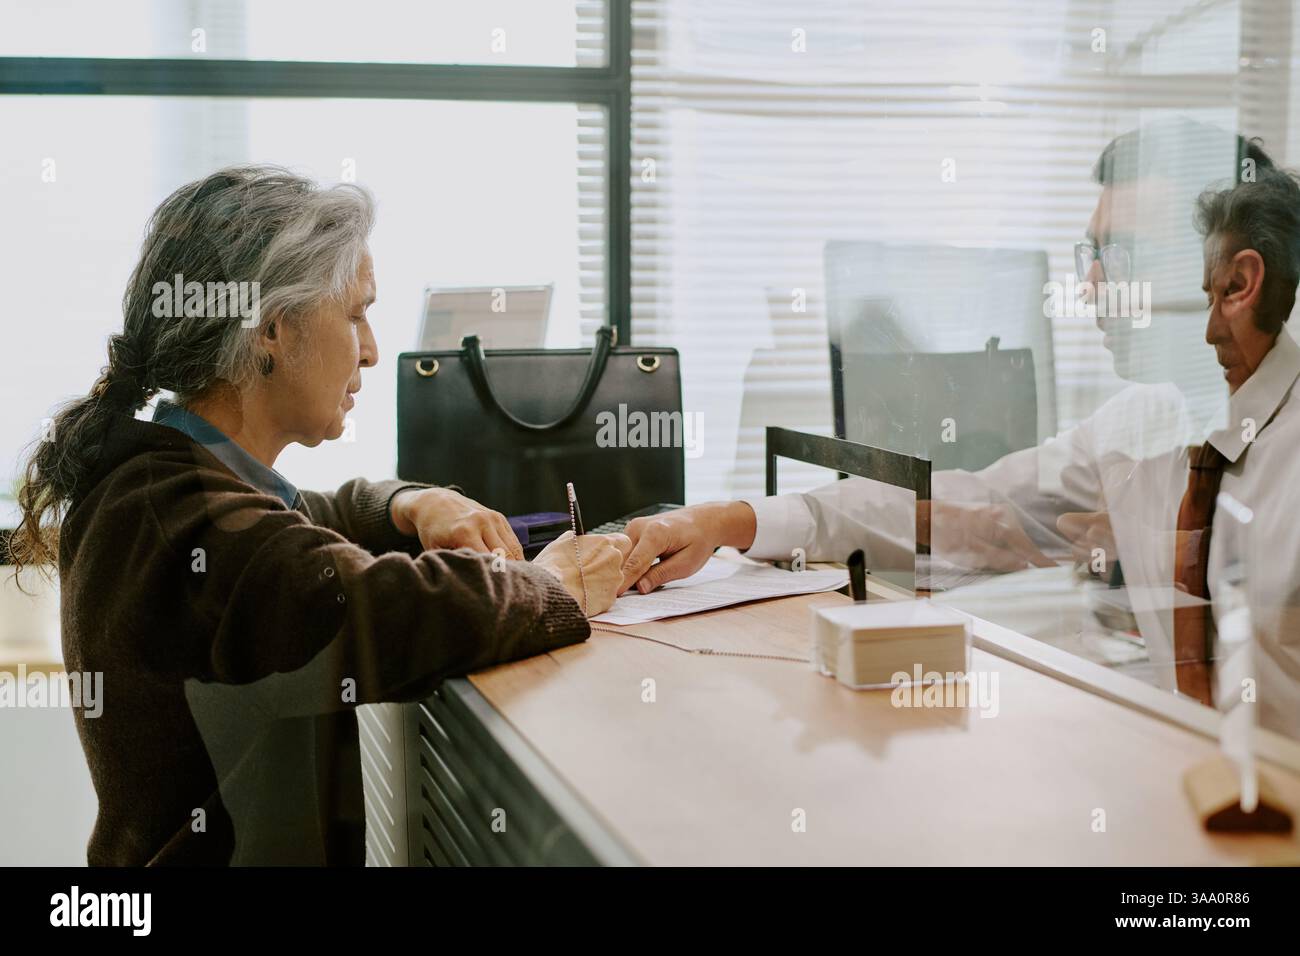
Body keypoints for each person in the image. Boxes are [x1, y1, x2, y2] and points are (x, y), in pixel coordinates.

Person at [9, 165, 630, 865]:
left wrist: (406, 504)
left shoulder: (167, 481)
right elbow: (366, 605)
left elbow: (304, 522)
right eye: (356, 313)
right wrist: (553, 586)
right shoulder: (181, 517)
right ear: (272, 329)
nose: (369, 348)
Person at [618, 130, 1300, 738]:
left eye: (1118, 257)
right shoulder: (1145, 423)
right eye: (1089, 255)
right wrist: (726, 521)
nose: (1090, 287)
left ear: (1237, 283)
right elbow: (945, 503)